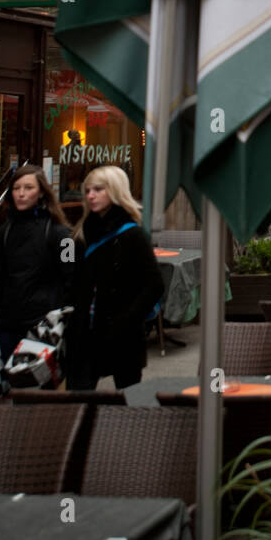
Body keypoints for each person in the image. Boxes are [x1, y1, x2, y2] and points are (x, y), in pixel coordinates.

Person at [65, 166, 163, 390]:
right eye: (88, 190)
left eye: (98, 189)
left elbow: (154, 285)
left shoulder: (133, 234)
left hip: (121, 336)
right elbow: (68, 271)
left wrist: (127, 320)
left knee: (129, 402)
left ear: (115, 191)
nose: (90, 195)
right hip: (83, 332)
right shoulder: (79, 233)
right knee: (77, 401)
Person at [0, 166, 71, 365]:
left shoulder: (62, 234)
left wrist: (63, 318)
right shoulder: (3, 233)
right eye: (17, 188)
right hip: (9, 324)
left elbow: (72, 278)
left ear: (42, 192)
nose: (21, 193)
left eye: (28, 188)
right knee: (13, 387)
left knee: (42, 390)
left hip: (44, 326)